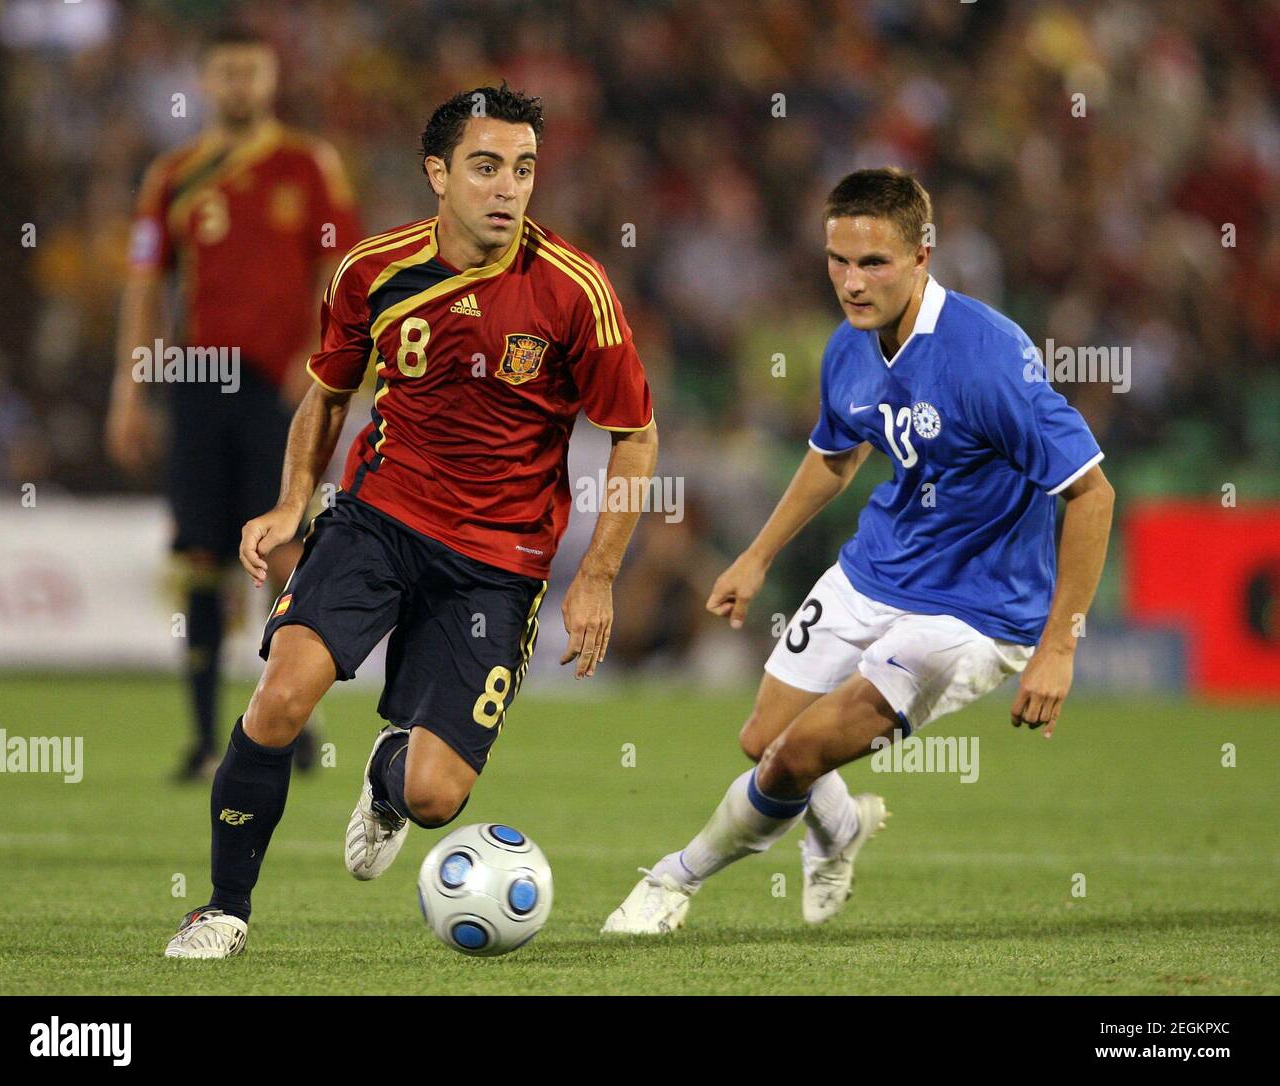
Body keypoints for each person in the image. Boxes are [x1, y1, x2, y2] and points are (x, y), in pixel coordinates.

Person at [164, 84, 658, 959]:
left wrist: (597, 575)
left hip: (499, 562)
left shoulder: (575, 289)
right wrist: (290, 502)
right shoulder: (372, 271)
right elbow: (328, 392)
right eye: (486, 167)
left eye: (524, 169)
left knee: (437, 796)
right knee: (281, 698)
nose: (508, 188)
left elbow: (635, 435)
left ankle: (388, 783)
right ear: (437, 173)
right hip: (378, 520)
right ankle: (222, 909)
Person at [603, 167, 1114, 934]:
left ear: (922, 256)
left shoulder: (987, 358)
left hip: (974, 610)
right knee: (761, 739)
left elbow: (1091, 493)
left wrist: (1059, 646)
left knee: (791, 758)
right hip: (877, 568)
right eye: (838, 260)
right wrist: (757, 556)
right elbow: (836, 454)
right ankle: (840, 830)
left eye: (873, 262)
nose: (851, 280)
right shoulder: (850, 346)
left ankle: (674, 882)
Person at [106, 25, 361, 779]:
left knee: (285, 553)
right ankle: (202, 737)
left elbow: (341, 271)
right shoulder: (175, 175)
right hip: (195, 382)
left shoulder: (309, 165)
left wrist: (324, 369)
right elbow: (147, 286)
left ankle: (287, 724)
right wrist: (129, 387)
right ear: (207, 80)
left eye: (252, 70)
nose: (240, 84)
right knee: (200, 558)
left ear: (272, 77)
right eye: (226, 71)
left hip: (278, 389)